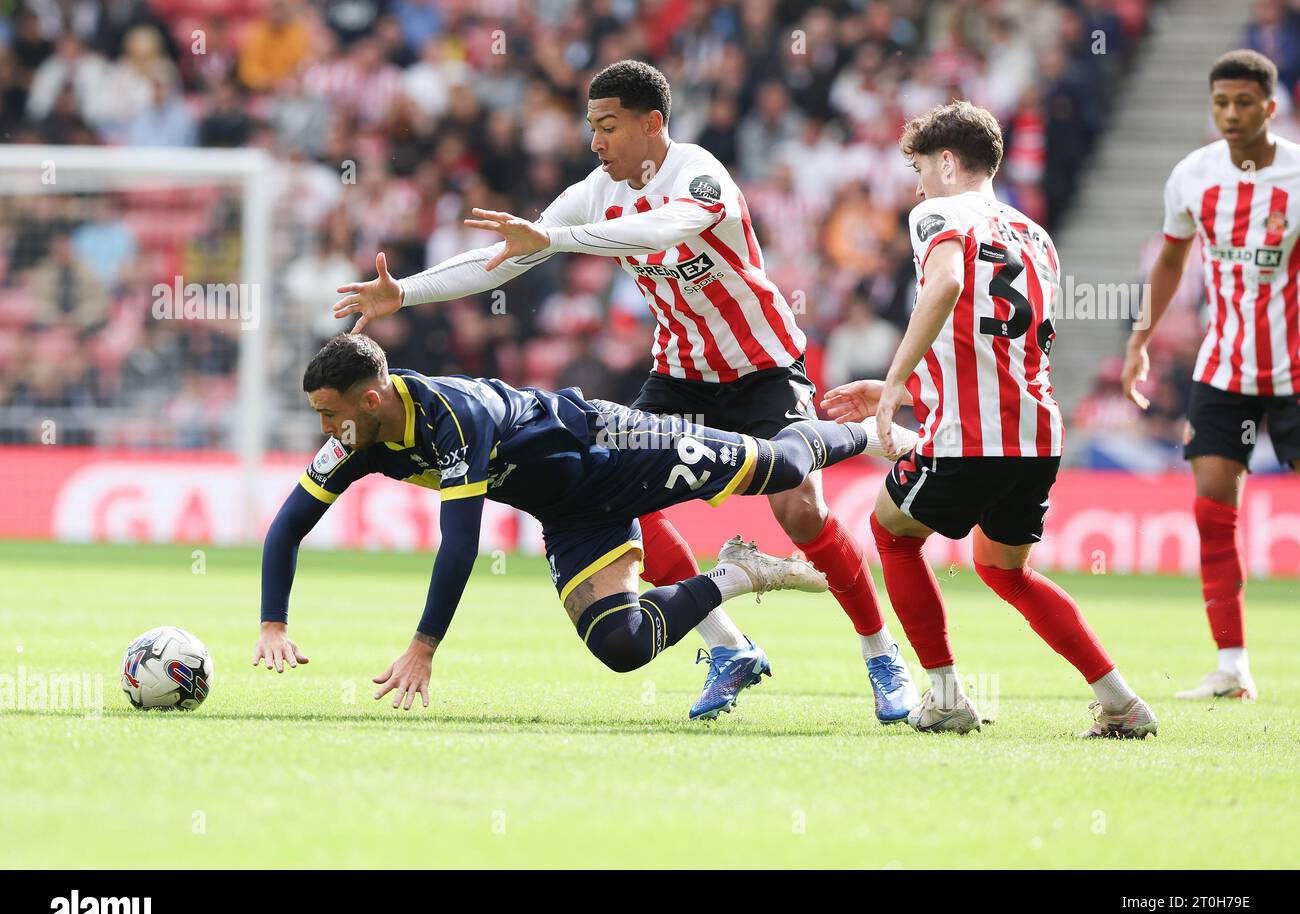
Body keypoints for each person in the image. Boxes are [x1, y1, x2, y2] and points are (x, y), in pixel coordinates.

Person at [333, 59, 919, 723]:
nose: (595, 142)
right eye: (591, 127)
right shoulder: (593, 192)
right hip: (677, 373)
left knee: (800, 515)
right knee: (626, 497)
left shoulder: (699, 173)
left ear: (652, 124)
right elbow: (506, 255)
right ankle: (728, 649)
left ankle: (881, 656)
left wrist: (555, 238)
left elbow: (658, 231)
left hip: (761, 366)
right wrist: (403, 292)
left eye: (608, 127)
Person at [255, 334, 914, 715]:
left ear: (369, 400)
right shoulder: (355, 437)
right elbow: (286, 529)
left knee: (779, 466)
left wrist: (423, 648)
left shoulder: (451, 417)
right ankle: (739, 573)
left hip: (616, 445)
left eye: (327, 411)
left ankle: (868, 431)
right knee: (621, 647)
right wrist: (273, 624)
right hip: (570, 513)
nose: (323, 427)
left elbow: (459, 546)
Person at [824, 101, 1157, 739]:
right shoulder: (1037, 236)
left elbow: (946, 284)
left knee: (891, 533)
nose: (916, 186)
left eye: (920, 168)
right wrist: (912, 387)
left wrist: (896, 383)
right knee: (1006, 570)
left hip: (974, 438)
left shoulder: (938, 213)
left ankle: (946, 696)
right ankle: (1121, 702)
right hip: (1037, 433)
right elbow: (999, 348)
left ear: (947, 163)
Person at [1122, 50, 1300, 703]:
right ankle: (1232, 665)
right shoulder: (1192, 176)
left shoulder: (1298, 175)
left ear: (1270, 107)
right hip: (1224, 370)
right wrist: (1140, 339)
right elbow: (1171, 261)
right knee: (1211, 511)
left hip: (1296, 372)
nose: (1231, 113)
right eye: (1221, 102)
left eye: (1244, 102)